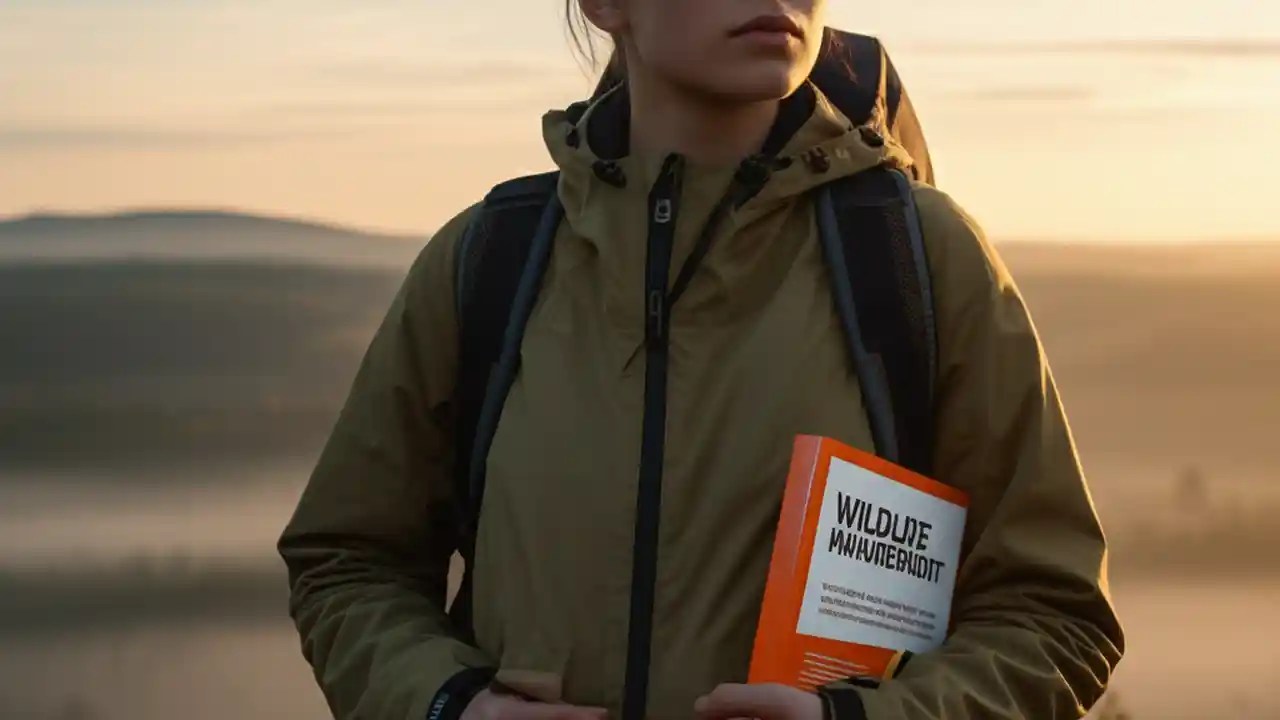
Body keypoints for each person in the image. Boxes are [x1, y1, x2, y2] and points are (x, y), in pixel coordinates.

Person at [277, 1, 1124, 719]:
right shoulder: (492, 258)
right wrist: (450, 704)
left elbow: (1053, 611)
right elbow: (347, 562)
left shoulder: (922, 262)